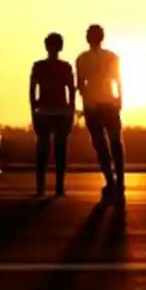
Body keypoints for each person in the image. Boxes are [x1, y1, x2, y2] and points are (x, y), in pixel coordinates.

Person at [76, 24, 125, 201]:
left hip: (99, 105)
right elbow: (118, 81)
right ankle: (116, 179)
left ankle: (113, 179)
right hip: (104, 105)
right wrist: (119, 100)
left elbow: (81, 85)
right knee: (111, 143)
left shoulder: (85, 58)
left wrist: (86, 102)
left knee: (104, 144)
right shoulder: (107, 57)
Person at [30, 32, 75, 197]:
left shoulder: (39, 66)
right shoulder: (65, 67)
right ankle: (58, 187)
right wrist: (71, 111)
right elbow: (71, 92)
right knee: (59, 150)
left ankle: (41, 187)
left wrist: (34, 111)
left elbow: (32, 92)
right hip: (58, 112)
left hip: (46, 112)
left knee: (45, 149)